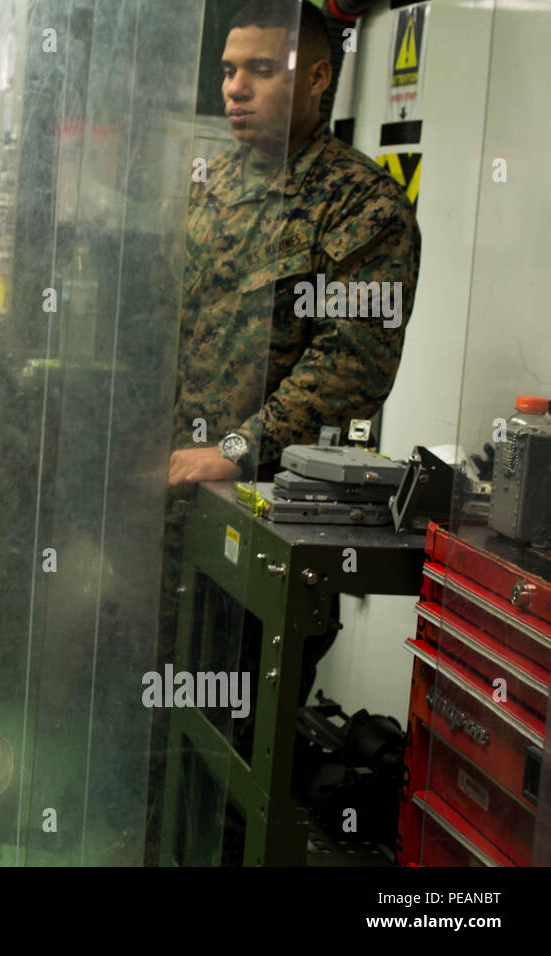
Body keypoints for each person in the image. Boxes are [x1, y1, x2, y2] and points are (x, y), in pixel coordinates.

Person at [147, 0, 422, 861]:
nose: (234, 89)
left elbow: (351, 364)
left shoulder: (362, 205)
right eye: (229, 70)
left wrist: (232, 449)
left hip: (265, 523)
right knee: (155, 735)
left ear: (315, 78)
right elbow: (165, 321)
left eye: (260, 71)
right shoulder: (210, 184)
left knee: (237, 745)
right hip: (168, 514)